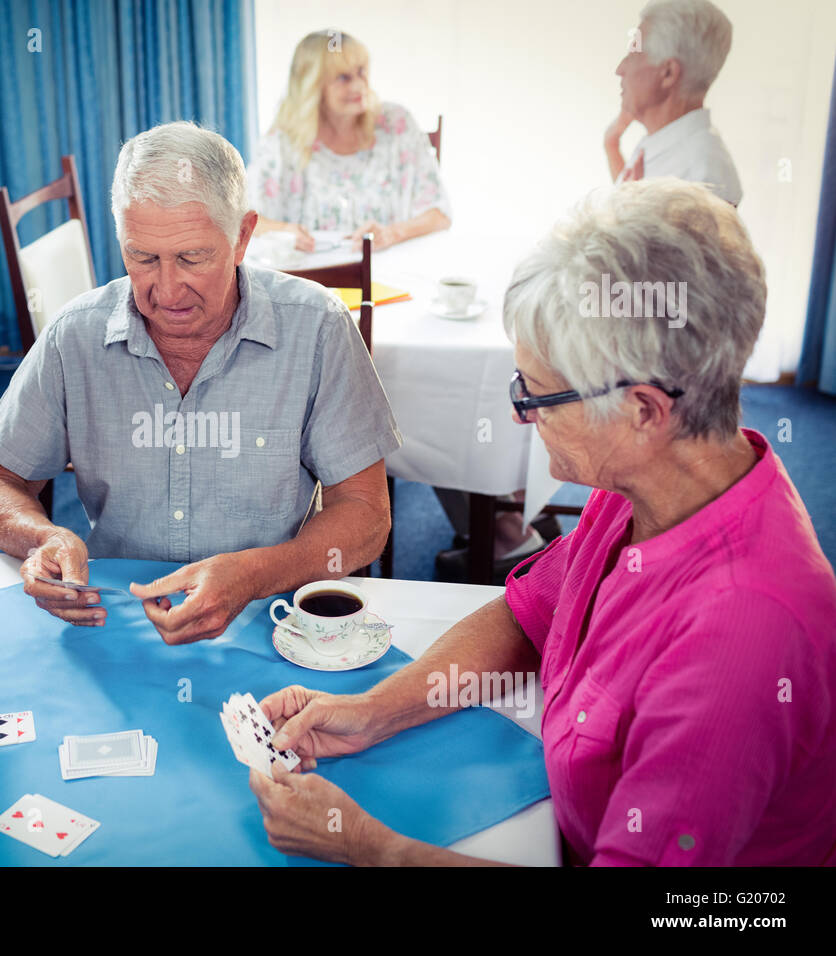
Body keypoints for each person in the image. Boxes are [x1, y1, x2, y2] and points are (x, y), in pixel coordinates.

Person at [247, 179, 836, 865]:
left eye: (536, 394)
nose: (520, 412)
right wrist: (371, 712)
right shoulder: (649, 480)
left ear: (644, 410)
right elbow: (530, 613)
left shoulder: (743, 635)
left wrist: (374, 848)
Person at [0, 121, 402, 645]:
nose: (166, 289)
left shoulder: (318, 327)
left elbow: (365, 514)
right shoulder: (74, 336)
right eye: (142, 257)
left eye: (193, 258)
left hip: (270, 617)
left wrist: (256, 574)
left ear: (242, 237)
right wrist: (46, 537)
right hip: (115, 619)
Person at [248, 29, 451, 252]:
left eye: (361, 71)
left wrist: (392, 233)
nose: (358, 85)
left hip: (392, 277)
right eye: (343, 77)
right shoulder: (284, 140)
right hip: (314, 279)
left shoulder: (397, 124)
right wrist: (282, 230)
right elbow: (243, 219)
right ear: (312, 85)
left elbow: (439, 215)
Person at [605, 0, 741, 205]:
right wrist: (611, 144)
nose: (620, 68)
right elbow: (629, 208)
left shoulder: (702, 176)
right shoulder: (664, 144)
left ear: (668, 73)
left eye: (633, 53)